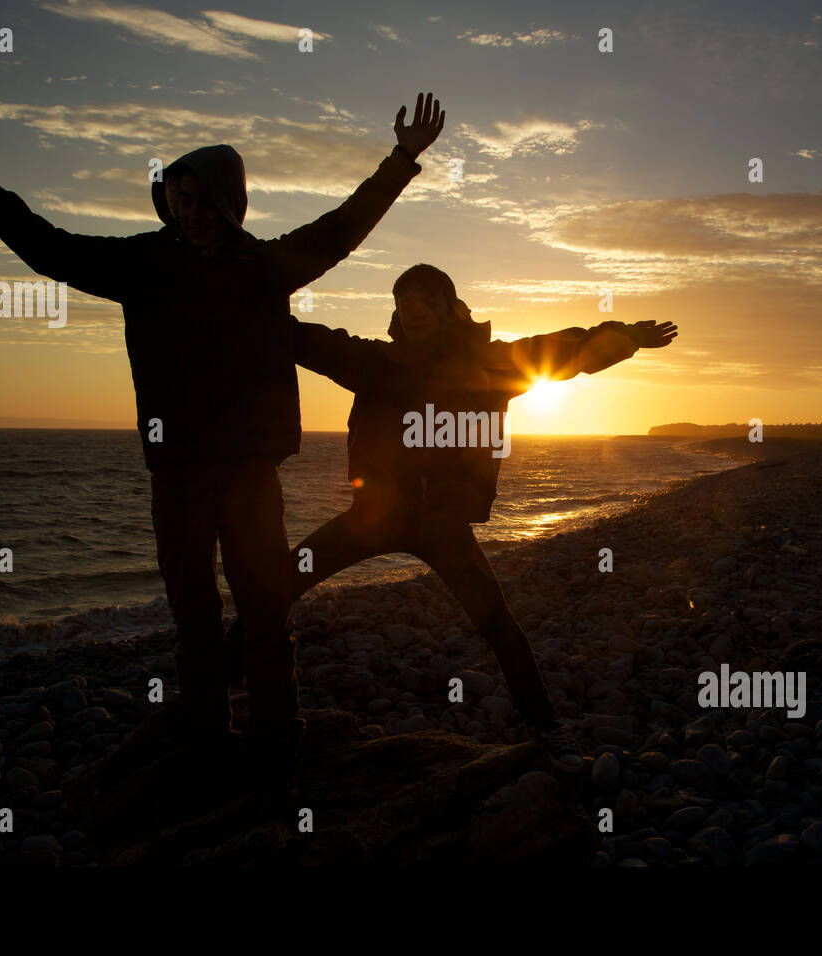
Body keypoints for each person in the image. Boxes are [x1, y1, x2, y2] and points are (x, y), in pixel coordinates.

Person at [0, 97, 445, 780]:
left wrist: (403, 159)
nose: (192, 210)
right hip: (178, 474)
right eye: (180, 197)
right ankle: (206, 734)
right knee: (192, 612)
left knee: (263, 609)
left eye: (206, 199)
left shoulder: (265, 268)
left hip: (251, 474)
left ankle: (278, 736)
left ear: (232, 202)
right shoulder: (145, 266)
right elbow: (51, 248)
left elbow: (342, 229)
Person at [242, 264, 677, 771]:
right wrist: (244, 308)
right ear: (396, 311)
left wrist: (620, 337)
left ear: (450, 308)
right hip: (372, 517)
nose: (417, 311)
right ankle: (214, 701)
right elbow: (311, 341)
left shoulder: (486, 365)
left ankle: (548, 729)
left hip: (443, 525)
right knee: (277, 589)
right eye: (407, 302)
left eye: (429, 301)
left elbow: (555, 351)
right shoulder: (375, 361)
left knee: (498, 625)